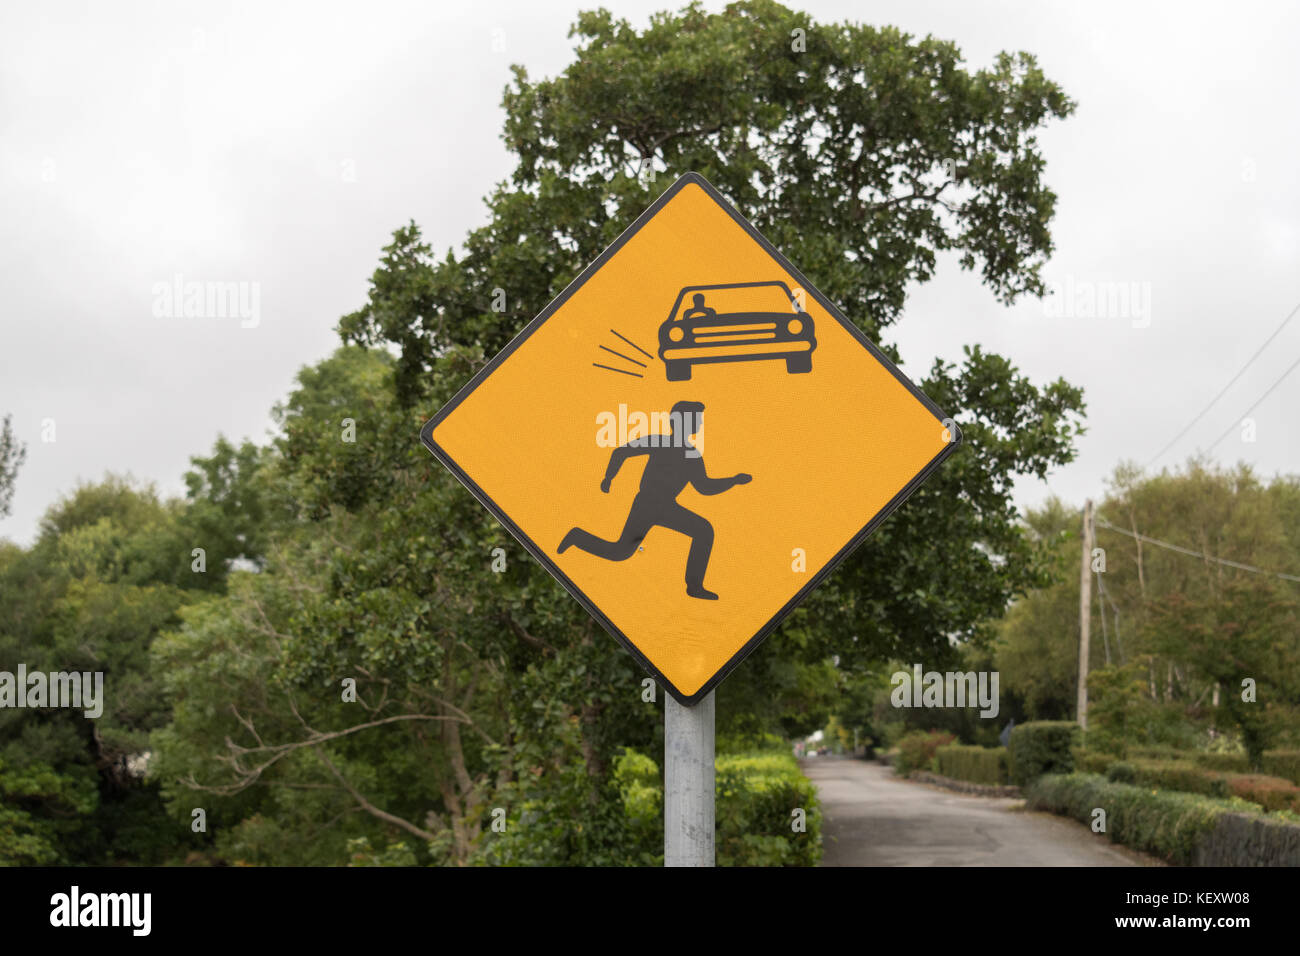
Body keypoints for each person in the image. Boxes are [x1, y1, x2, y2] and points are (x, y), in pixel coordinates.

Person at [557, 400, 750, 600]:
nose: (700, 424)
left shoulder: (693, 455)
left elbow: (704, 487)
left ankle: (694, 586)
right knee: (620, 552)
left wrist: (733, 481)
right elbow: (621, 452)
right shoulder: (660, 442)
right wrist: (609, 478)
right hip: (646, 504)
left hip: (668, 506)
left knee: (704, 530)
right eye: (697, 420)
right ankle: (577, 537)